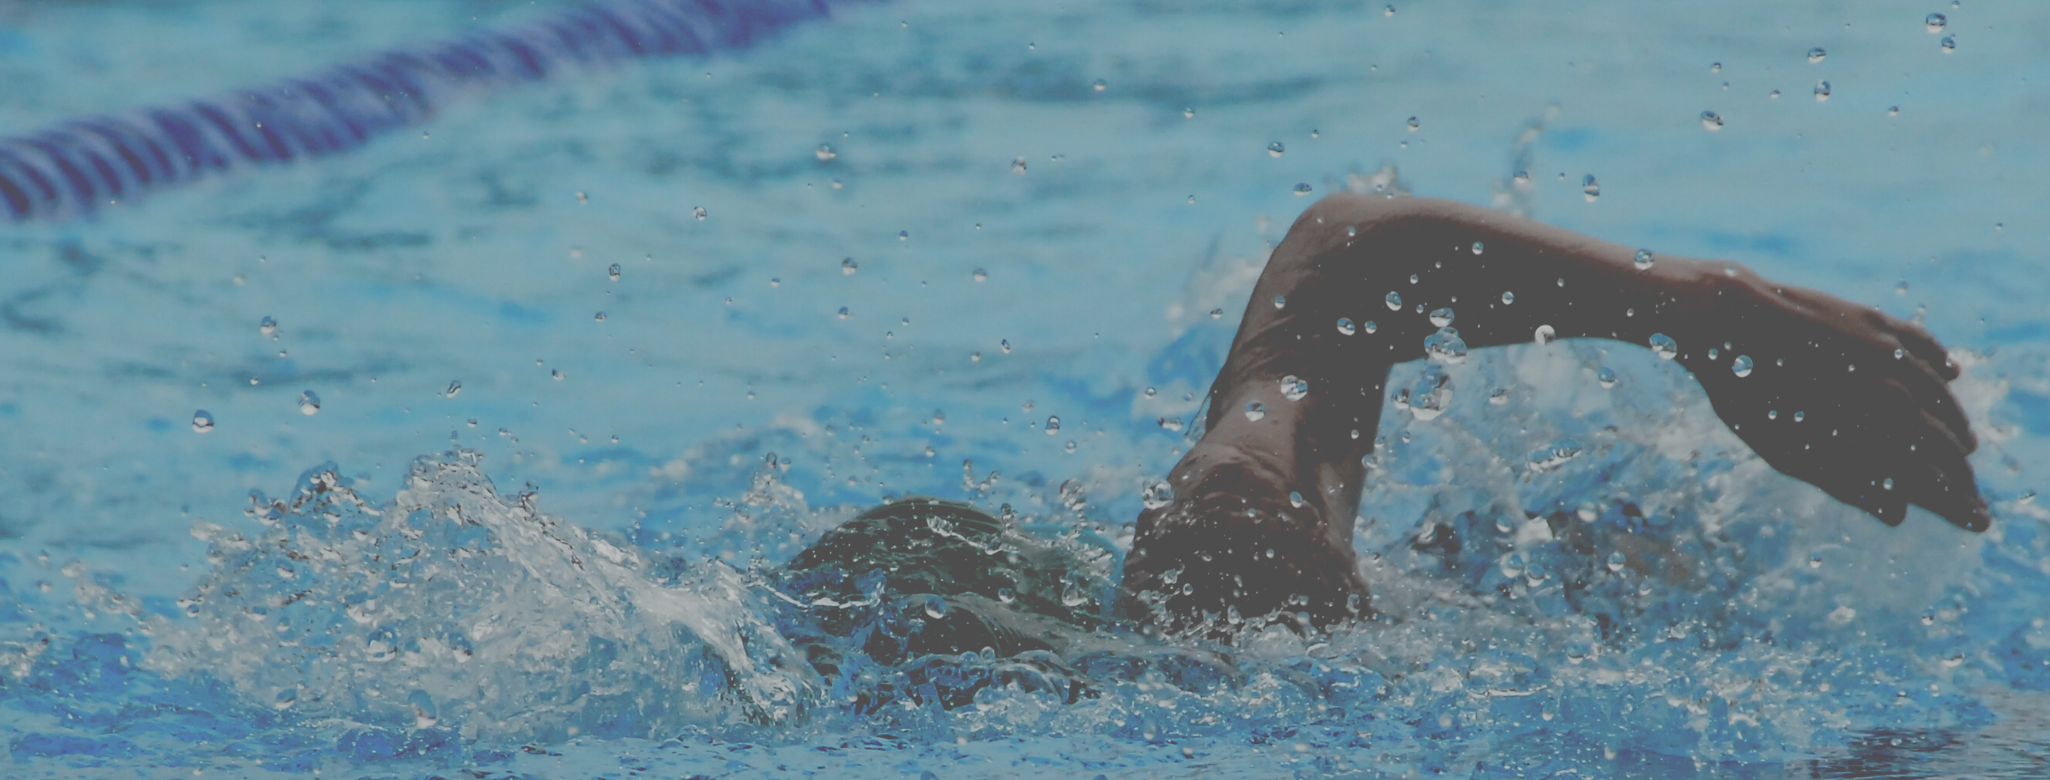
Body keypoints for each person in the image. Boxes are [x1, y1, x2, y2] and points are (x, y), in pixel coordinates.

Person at [775, 192, 1988, 658]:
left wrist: (1702, 309)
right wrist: (1695, 308)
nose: (1217, 515)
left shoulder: (1224, 577)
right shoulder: (1266, 611)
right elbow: (1346, 255)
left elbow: (1348, 258)